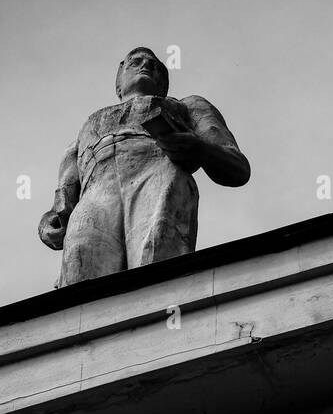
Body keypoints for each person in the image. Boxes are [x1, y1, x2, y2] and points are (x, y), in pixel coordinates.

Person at [39, 47, 250, 286]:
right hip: (96, 196)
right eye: (135, 62)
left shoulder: (188, 106)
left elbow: (238, 168)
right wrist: (56, 219)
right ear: (118, 82)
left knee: (157, 261)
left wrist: (201, 149)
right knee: (80, 271)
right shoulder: (88, 126)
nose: (146, 65)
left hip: (158, 176)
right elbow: (64, 193)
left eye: (156, 66)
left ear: (164, 85)